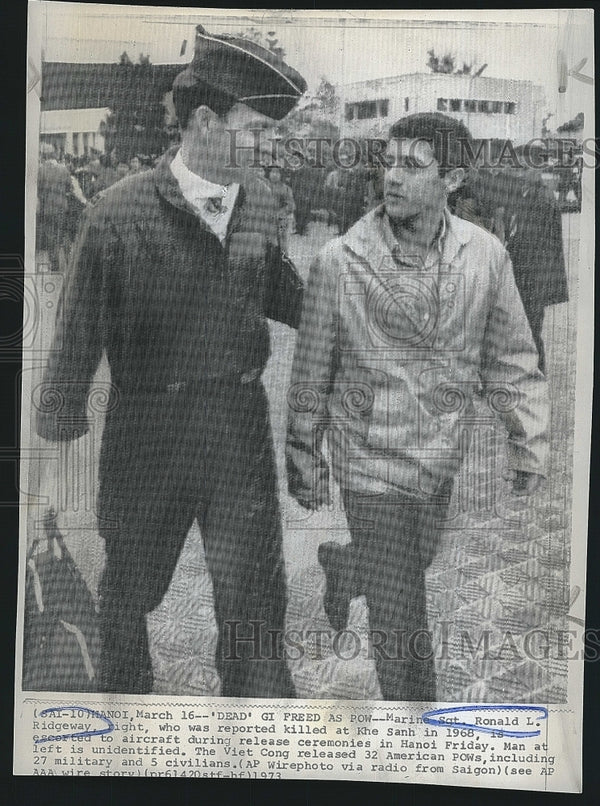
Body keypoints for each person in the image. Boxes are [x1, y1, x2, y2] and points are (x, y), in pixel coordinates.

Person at [36, 24, 307, 697]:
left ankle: (260, 722)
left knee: (253, 596)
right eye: (258, 130)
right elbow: (76, 330)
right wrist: (56, 430)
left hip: (238, 427)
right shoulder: (117, 212)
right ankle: (123, 715)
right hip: (148, 431)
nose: (269, 146)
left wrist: (355, 308)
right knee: (128, 589)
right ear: (206, 121)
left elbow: (279, 289)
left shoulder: (259, 201)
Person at [286, 113, 549, 701]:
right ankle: (417, 728)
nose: (392, 176)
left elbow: (510, 356)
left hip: (437, 455)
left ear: (453, 179)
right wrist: (304, 456)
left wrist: (529, 441)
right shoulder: (339, 260)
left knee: (416, 560)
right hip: (368, 460)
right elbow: (311, 369)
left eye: (412, 165)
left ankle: (347, 567)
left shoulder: (485, 255)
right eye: (390, 162)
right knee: (401, 610)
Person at [454, 165, 568, 373]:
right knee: (520, 330)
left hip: (533, 280)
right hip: (523, 276)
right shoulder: (523, 195)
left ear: (536, 171)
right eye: (517, 168)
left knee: (531, 331)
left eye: (524, 168)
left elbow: (540, 247)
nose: (518, 173)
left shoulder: (542, 200)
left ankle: (536, 374)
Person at [36, 143, 72, 271]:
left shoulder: (41, 170)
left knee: (50, 236)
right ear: (55, 155)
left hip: (48, 209)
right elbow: (69, 188)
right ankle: (69, 263)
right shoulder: (64, 169)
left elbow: (39, 190)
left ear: (44, 156)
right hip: (62, 207)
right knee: (63, 234)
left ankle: (55, 264)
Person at [266, 166, 295, 254]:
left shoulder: (285, 188)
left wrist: (279, 214)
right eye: (272, 172)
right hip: (266, 218)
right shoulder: (264, 186)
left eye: (277, 172)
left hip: (281, 219)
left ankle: (283, 258)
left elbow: (291, 206)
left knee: (282, 242)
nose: (274, 175)